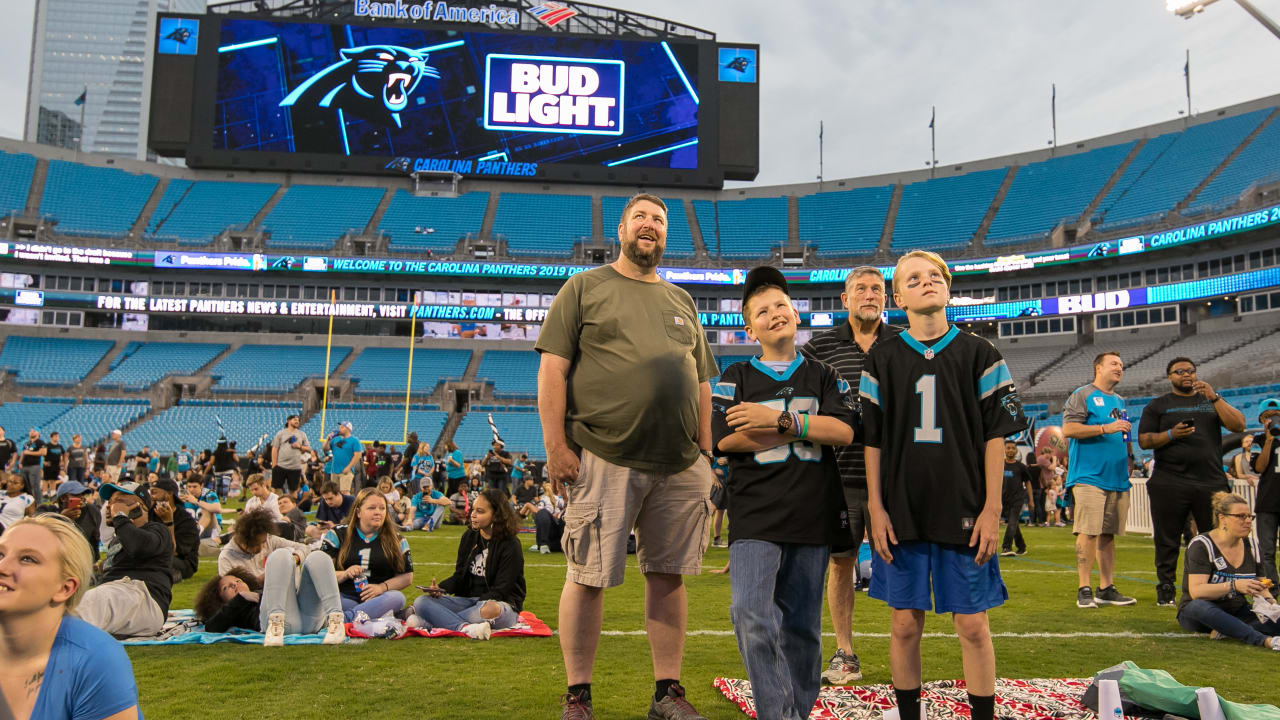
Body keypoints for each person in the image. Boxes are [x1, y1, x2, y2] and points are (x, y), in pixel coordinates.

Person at [537, 192, 718, 720]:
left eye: (659, 220)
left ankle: (667, 694)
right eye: (640, 216)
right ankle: (578, 696)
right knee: (587, 575)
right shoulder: (584, 287)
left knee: (668, 575)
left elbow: (704, 382)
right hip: (605, 454)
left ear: (665, 235)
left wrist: (706, 453)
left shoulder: (682, 299)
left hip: (680, 462)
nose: (650, 225)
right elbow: (553, 370)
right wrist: (557, 448)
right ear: (620, 229)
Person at [862, 251, 1028, 720]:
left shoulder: (981, 353)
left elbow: (997, 435)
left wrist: (994, 507)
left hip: (966, 506)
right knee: (903, 624)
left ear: (949, 289)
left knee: (974, 624)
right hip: (902, 508)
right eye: (914, 278)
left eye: (935, 276)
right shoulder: (883, 357)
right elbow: (871, 439)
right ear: (899, 296)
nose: (927, 282)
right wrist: (875, 506)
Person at [712, 266, 857, 720]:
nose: (775, 314)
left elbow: (846, 431)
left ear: (795, 313)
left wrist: (778, 421)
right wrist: (807, 432)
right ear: (749, 326)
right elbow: (724, 439)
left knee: (803, 630)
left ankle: (796, 711)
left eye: (780, 305)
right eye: (762, 310)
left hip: (812, 512)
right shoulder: (734, 374)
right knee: (750, 615)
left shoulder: (824, 374)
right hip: (754, 513)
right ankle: (780, 715)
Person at [798, 264, 898, 685]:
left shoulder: (904, 343)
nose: (870, 294)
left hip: (894, 477)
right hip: (837, 475)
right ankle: (845, 651)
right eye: (861, 288)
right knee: (839, 564)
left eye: (877, 288)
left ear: (887, 298)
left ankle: (903, 651)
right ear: (845, 299)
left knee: (900, 561)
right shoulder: (819, 347)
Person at [0, 514, 143, 719]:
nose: (2, 567)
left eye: (27, 559)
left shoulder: (95, 659)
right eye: (0, 554)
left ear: (65, 588)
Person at [1138, 357, 1247, 607]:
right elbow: (1144, 440)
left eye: (1191, 371)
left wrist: (1215, 397)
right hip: (1169, 481)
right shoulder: (1158, 405)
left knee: (1218, 536)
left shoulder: (1209, 400)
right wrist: (1170, 434)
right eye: (1180, 371)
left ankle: (1216, 587)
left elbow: (1239, 424)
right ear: (1170, 376)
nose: (1186, 375)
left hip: (1210, 481)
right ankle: (1166, 589)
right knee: (1167, 539)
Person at [1062, 351, 1138, 609]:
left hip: (1116, 476)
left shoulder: (1120, 400)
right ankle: (1083, 588)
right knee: (1089, 531)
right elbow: (1069, 429)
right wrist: (1106, 428)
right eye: (1114, 364)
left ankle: (1106, 588)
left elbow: (1123, 434)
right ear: (1098, 368)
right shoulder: (1082, 395)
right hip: (1089, 476)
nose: (1120, 368)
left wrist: (1130, 457)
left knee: (1108, 534)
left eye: (1121, 364)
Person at [410, 489, 526, 639]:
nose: (473, 514)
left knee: (489, 610)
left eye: (480, 511)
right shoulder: (469, 536)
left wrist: (475, 605)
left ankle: (432, 622)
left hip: (499, 604)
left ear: (496, 515)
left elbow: (502, 589)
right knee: (421, 602)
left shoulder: (511, 544)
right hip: (468, 601)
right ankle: (465, 628)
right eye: (473, 510)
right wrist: (441, 588)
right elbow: (459, 576)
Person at [1176, 491, 1280, 649]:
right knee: (1199, 606)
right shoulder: (1202, 545)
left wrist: (1271, 602)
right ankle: (1264, 641)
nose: (1247, 521)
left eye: (1249, 517)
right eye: (1240, 516)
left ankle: (1228, 629)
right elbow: (1196, 591)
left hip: (1237, 610)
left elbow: (1260, 583)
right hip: (1199, 611)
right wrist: (1234, 586)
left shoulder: (1252, 546)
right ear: (1222, 518)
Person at [78, 481, 173, 638]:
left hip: (145, 599)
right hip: (122, 599)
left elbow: (138, 546)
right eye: (110, 502)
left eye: (119, 501)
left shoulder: (157, 530)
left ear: (140, 505)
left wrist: (120, 517)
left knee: (93, 603)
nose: (110, 506)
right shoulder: (119, 538)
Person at [195, 548, 346, 646]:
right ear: (220, 599)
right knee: (279, 555)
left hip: (311, 622)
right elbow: (211, 627)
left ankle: (336, 620)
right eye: (226, 587)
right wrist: (240, 599)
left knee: (317, 557)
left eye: (237, 580)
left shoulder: (263, 590)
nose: (235, 584)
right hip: (281, 626)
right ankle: (276, 623)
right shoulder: (234, 610)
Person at [320, 488, 413, 621]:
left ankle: (345, 619)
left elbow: (407, 577)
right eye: (371, 508)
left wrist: (381, 588)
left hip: (378, 598)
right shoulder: (338, 534)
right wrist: (345, 573)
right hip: (345, 596)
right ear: (358, 512)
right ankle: (372, 616)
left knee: (397, 598)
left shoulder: (397, 539)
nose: (378, 512)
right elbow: (322, 574)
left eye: (382, 508)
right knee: (329, 600)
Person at [218, 507, 311, 578]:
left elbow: (304, 548)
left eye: (263, 542)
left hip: (276, 590)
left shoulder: (269, 540)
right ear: (244, 541)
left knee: (288, 552)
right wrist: (258, 581)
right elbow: (229, 593)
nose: (262, 547)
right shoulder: (226, 558)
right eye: (256, 544)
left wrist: (295, 558)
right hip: (249, 598)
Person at [149, 478, 200, 581]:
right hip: (155, 556)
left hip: (181, 561)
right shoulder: (149, 515)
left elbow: (175, 551)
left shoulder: (186, 521)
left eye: (154, 493)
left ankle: (170, 574)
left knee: (158, 560)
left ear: (169, 494)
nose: (151, 497)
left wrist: (169, 523)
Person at [1253, 398, 1280, 585]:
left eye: (1276, 415)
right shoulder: (1258, 440)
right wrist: (1269, 441)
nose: (1272, 420)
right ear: (1262, 420)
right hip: (1267, 502)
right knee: (1267, 551)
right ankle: (1273, 589)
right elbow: (1259, 467)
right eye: (1268, 417)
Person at [999, 440, 1035, 557]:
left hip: (1017, 499)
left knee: (1013, 522)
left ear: (1016, 450)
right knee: (1013, 524)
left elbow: (1028, 483)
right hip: (1004, 500)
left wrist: (1031, 500)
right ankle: (1022, 547)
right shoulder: (1000, 465)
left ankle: (1006, 547)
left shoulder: (1021, 467)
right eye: (1008, 448)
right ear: (1004, 450)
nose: (1010, 450)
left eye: (1013, 448)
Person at [49, 480, 101, 561]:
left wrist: (95, 561)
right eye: (77, 495)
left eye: (83, 494)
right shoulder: (49, 511)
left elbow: (94, 540)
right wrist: (62, 518)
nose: (82, 497)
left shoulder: (92, 511)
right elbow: (41, 530)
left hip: (81, 560)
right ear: (63, 498)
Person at [271, 414, 311, 497]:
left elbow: (308, 448)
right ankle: (276, 508)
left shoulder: (302, 434)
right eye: (294, 419)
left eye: (298, 420)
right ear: (288, 421)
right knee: (276, 490)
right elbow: (275, 449)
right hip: (281, 466)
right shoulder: (281, 433)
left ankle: (292, 508)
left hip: (295, 467)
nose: (297, 421)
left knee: (293, 490)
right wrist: (274, 465)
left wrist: (299, 446)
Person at [180, 475, 224, 540]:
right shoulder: (183, 494)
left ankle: (196, 533)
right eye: (189, 487)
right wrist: (178, 503)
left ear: (201, 486)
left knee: (208, 509)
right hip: (191, 528)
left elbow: (218, 509)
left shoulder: (209, 493)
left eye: (195, 487)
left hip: (211, 529)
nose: (191, 489)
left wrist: (196, 501)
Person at [324, 422, 363, 494]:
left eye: (342, 427)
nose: (340, 428)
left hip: (346, 471)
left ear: (348, 429)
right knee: (335, 493)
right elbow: (325, 449)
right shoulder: (335, 439)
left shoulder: (354, 440)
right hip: (334, 470)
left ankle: (348, 505)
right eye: (340, 427)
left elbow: (357, 455)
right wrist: (328, 440)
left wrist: (349, 467)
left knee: (345, 492)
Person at [533, 481, 566, 554]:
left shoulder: (545, 499)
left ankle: (544, 544)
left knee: (543, 512)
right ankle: (565, 545)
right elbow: (565, 506)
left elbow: (539, 512)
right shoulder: (556, 499)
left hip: (554, 534)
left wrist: (558, 514)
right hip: (556, 534)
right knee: (544, 513)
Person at [18, 429, 46, 507]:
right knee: (25, 486)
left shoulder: (40, 442)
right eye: (30, 431)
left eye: (34, 431)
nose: (31, 432)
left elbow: (43, 452)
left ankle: (39, 504)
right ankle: (28, 503)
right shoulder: (27, 443)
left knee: (35, 485)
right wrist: (20, 462)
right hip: (24, 466)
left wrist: (29, 452)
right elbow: (23, 453)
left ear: (38, 433)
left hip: (34, 466)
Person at [709, 457, 729, 549]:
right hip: (718, 480)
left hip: (727, 479)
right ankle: (695, 534)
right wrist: (713, 476)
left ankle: (717, 539)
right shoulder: (714, 446)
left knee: (720, 511)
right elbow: (705, 461)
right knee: (711, 509)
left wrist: (728, 460)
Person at [41, 431, 65, 501]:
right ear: (51, 437)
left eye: (57, 436)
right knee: (45, 479)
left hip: (56, 465)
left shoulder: (59, 446)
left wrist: (61, 462)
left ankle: (53, 493)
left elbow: (62, 454)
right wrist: (44, 461)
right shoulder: (47, 445)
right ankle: (44, 493)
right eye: (55, 436)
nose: (57, 438)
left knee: (53, 480)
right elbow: (43, 454)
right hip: (48, 465)